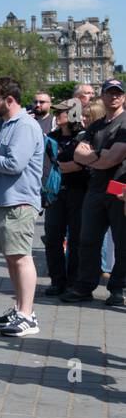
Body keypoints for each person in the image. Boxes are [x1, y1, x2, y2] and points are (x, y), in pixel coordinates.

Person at [0, 76, 46, 336]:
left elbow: (14, 164)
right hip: (3, 199)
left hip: (19, 200)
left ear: (9, 99)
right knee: (11, 257)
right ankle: (19, 308)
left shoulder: (24, 126)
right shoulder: (6, 124)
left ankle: (27, 315)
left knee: (21, 257)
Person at [62, 78, 126, 306]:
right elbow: (78, 154)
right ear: (103, 96)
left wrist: (93, 157)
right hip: (96, 188)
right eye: (110, 92)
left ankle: (118, 289)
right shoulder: (96, 126)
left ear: (124, 97)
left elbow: (115, 157)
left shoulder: (125, 123)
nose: (114, 96)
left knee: (122, 241)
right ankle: (84, 287)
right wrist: (100, 157)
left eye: (118, 92)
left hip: (120, 189)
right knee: (87, 240)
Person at [42, 99, 87, 298]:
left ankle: (73, 281)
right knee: (53, 237)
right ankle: (57, 280)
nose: (57, 115)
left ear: (73, 114)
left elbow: (80, 165)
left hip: (78, 191)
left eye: (62, 111)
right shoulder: (51, 137)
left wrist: (58, 166)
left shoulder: (84, 136)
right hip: (55, 192)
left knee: (76, 238)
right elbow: (46, 164)